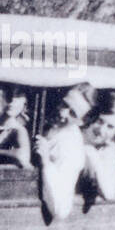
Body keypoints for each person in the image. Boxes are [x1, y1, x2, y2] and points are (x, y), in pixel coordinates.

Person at [34, 83, 94, 219]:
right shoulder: (51, 125)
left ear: (81, 122)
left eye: (73, 113)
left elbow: (61, 209)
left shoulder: (71, 145)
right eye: (64, 104)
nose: (62, 112)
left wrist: (46, 162)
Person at [79, 91, 115, 203]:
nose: (101, 130)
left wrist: (92, 155)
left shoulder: (108, 150)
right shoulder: (73, 135)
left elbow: (109, 192)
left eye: (110, 127)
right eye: (99, 121)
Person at [0, 86, 33, 168]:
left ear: (25, 102)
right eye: (8, 93)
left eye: (18, 95)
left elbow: (23, 157)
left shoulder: (19, 130)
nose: (12, 100)